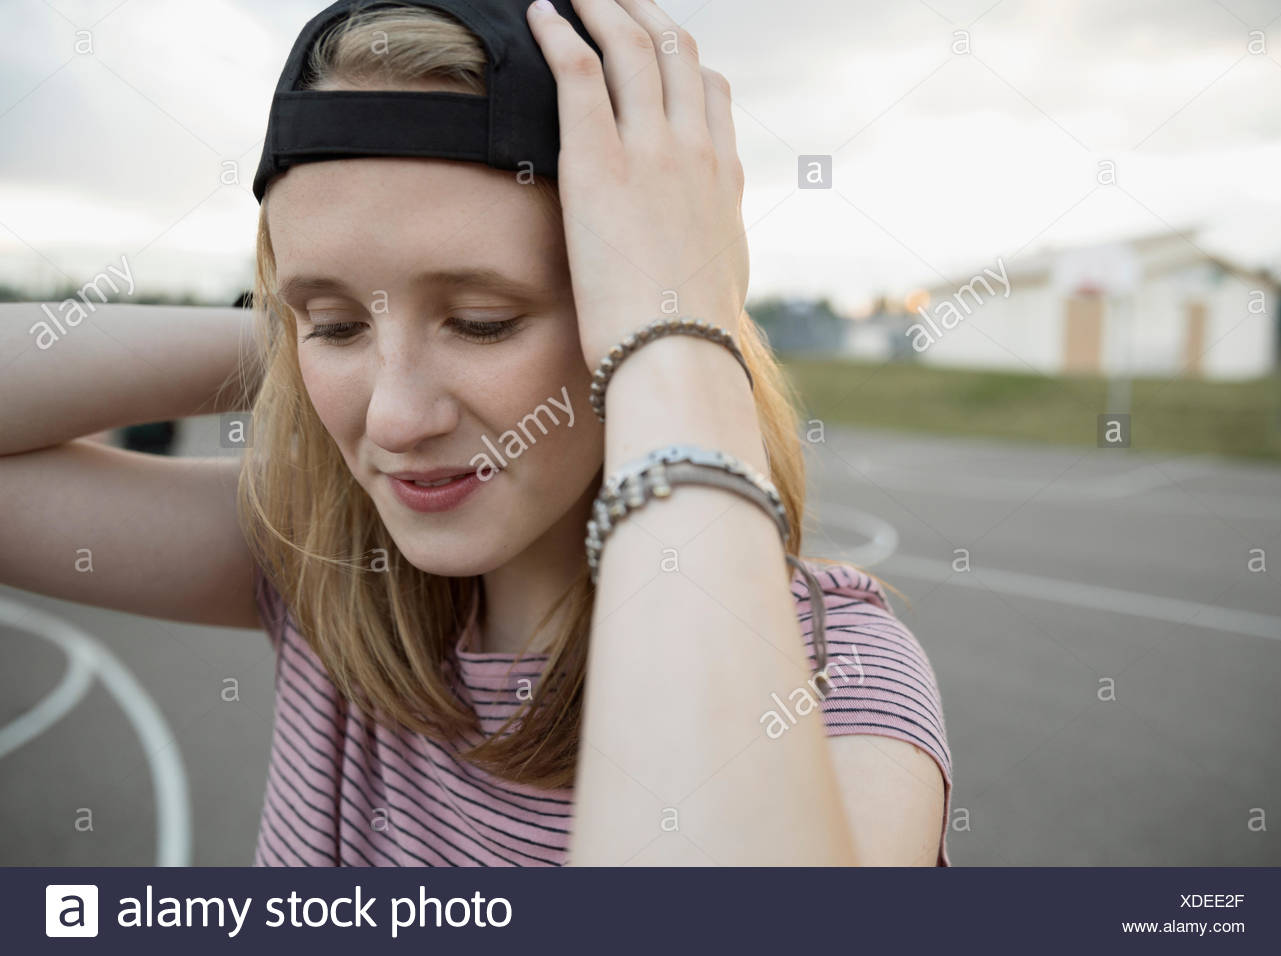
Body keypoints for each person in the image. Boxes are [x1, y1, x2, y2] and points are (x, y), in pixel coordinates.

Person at [0, 0, 952, 866]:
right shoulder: (328, 570)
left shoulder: (842, 693)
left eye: (483, 321)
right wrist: (290, 344)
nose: (396, 417)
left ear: (626, 318)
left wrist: (678, 334)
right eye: (334, 327)